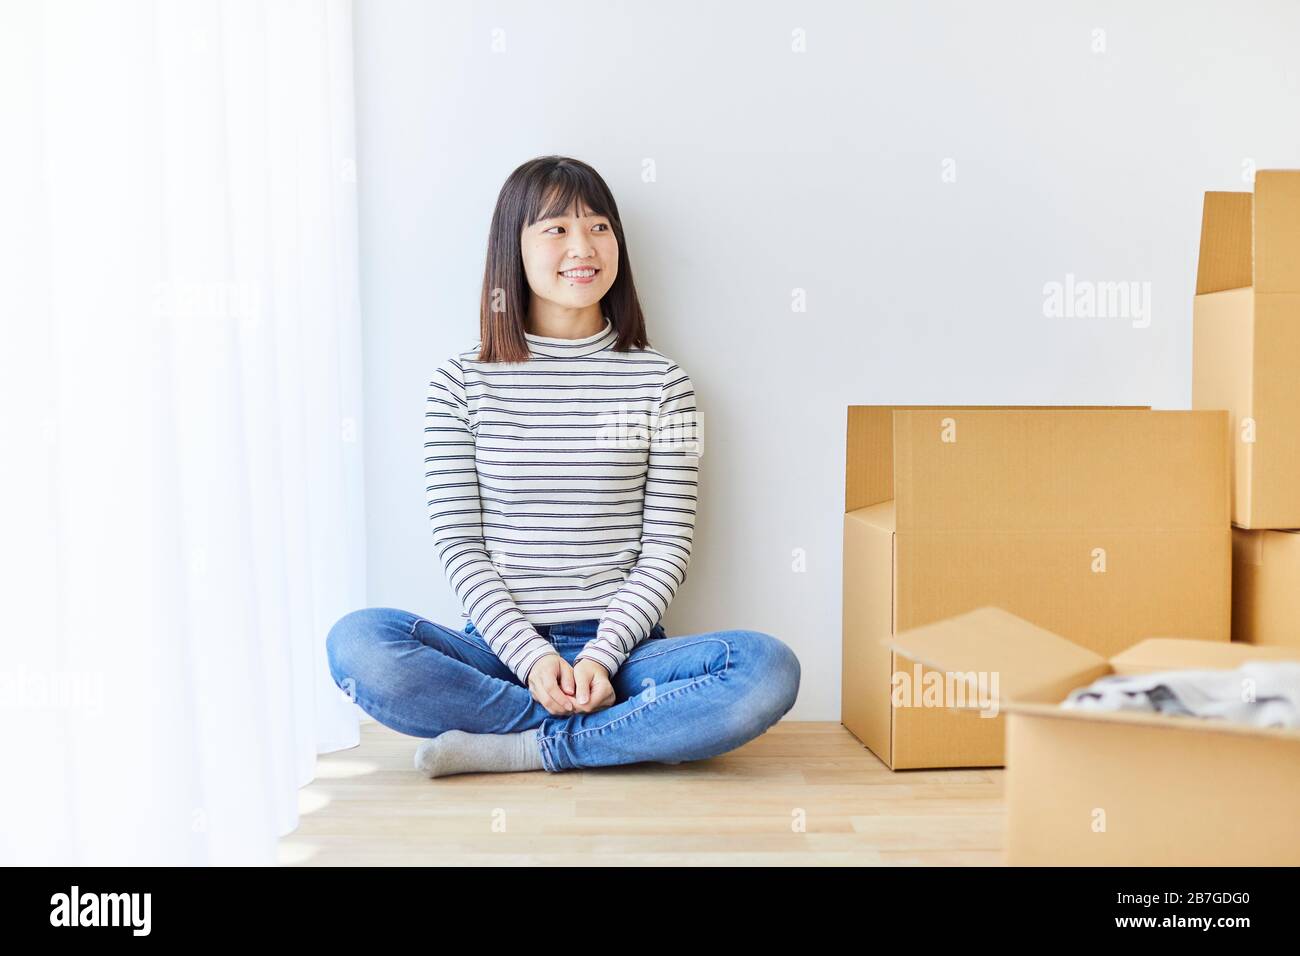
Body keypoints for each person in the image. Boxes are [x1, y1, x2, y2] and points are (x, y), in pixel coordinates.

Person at [326, 155, 800, 777]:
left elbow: (666, 549)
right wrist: (529, 657)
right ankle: (611, 736)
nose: (583, 246)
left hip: (625, 657)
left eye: (599, 226)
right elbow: (460, 544)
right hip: (497, 650)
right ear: (512, 249)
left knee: (767, 669)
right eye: (555, 229)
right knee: (358, 644)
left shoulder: (664, 386)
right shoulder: (460, 384)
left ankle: (532, 746)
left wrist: (602, 659)